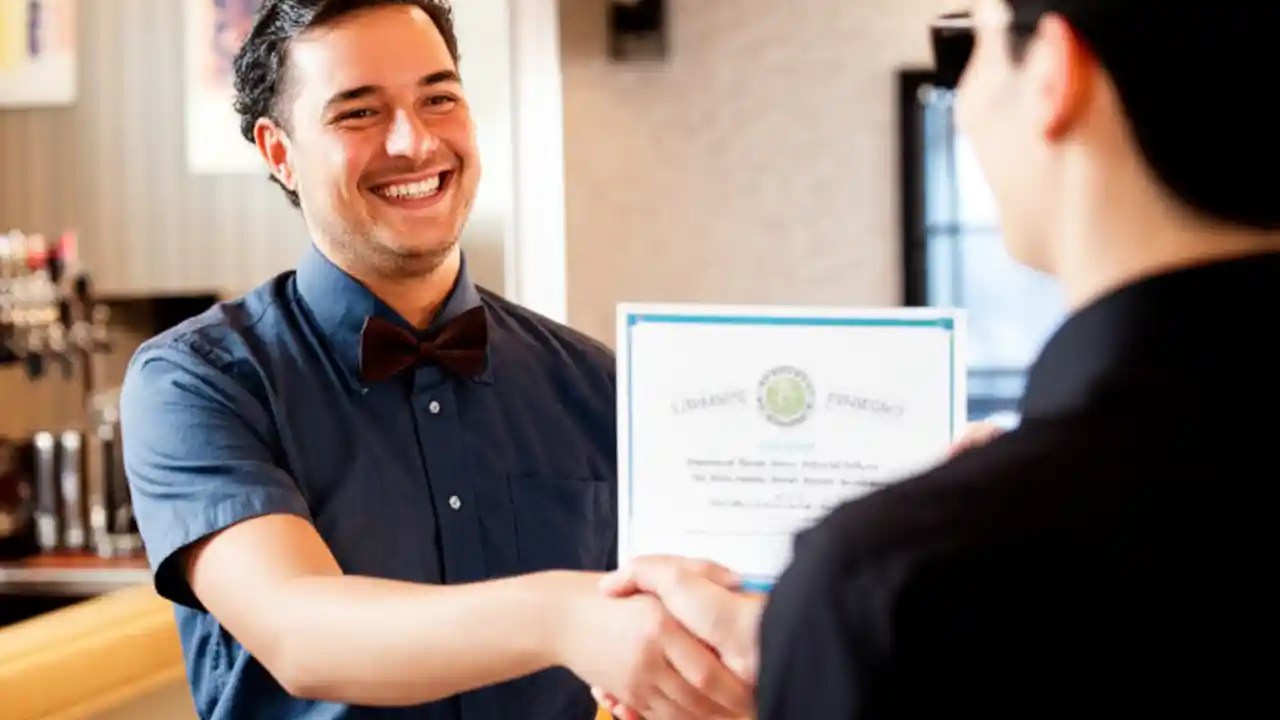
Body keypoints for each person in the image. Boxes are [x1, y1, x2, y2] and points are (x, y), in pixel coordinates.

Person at [600, 0, 1280, 717]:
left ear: (1054, 72)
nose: (963, 105)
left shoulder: (900, 578)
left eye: (969, 42)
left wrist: (821, 650)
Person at [119, 2, 752, 719]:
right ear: (279, 152)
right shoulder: (197, 380)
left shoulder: (595, 383)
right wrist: (564, 616)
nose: (414, 142)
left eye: (438, 99)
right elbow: (301, 634)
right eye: (358, 113)